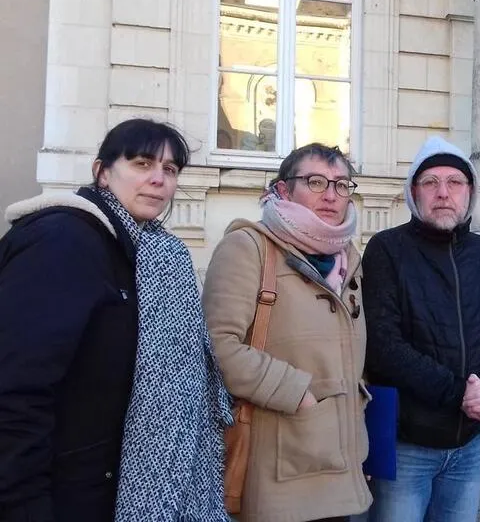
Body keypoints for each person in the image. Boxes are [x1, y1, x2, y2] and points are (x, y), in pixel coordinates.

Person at [0, 119, 232, 522]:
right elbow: (17, 388)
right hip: (60, 495)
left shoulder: (153, 255)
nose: (159, 180)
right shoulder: (64, 241)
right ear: (102, 172)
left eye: (171, 169)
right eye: (143, 164)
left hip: (108, 489)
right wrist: (23, 505)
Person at [203, 143, 371, 522]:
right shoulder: (248, 247)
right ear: (282, 190)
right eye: (315, 182)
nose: (331, 195)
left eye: (342, 184)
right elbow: (217, 346)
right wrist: (296, 393)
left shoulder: (350, 258)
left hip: (343, 460)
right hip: (282, 464)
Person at [361, 136, 480, 522]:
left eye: (455, 182)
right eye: (430, 182)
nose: (443, 193)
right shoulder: (387, 250)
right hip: (406, 445)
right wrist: (460, 393)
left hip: (467, 446)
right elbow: (383, 344)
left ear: (470, 193)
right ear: (413, 193)